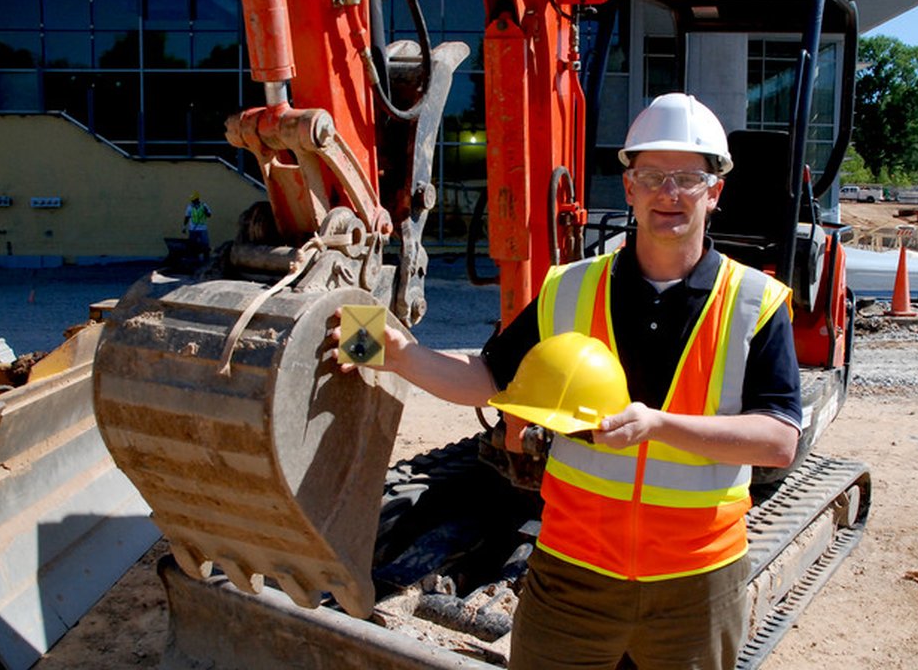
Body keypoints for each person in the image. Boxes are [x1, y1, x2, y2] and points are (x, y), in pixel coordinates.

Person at [332, 93, 801, 670]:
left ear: (715, 192)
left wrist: (657, 426)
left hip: (695, 581)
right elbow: (488, 380)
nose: (669, 193)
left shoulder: (754, 301)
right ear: (628, 188)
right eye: (652, 176)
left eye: (687, 177)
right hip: (571, 572)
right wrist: (395, 352)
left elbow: (778, 440)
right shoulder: (570, 289)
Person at [182, 191, 213, 261]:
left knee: (205, 245)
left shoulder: (204, 205)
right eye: (192, 200)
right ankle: (194, 259)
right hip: (192, 229)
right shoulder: (190, 207)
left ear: (197, 199)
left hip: (202, 229)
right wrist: (184, 227)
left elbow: (209, 215)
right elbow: (187, 217)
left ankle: (206, 260)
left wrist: (205, 211)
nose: (193, 201)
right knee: (193, 245)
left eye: (194, 199)